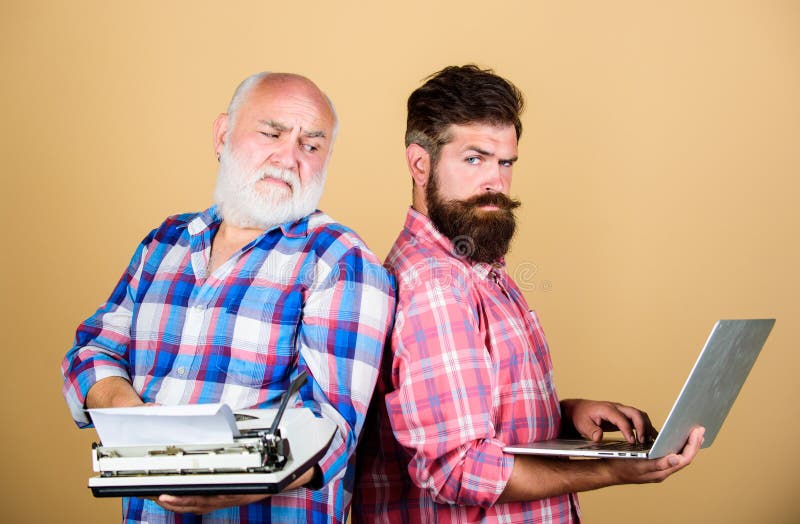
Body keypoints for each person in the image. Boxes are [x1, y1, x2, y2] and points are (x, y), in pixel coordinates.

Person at [353, 65, 704, 523]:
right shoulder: (435, 288)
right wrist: (613, 469)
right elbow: (459, 470)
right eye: (475, 159)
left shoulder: (475, 264)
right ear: (420, 164)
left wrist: (564, 415)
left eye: (505, 162)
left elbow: (470, 410)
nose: (495, 181)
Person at [61, 71, 395, 523]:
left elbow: (333, 426)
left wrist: (233, 479)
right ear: (222, 134)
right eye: (271, 133)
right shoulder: (165, 242)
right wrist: (133, 417)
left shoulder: (341, 261)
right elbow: (91, 352)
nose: (288, 157)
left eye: (310, 146)